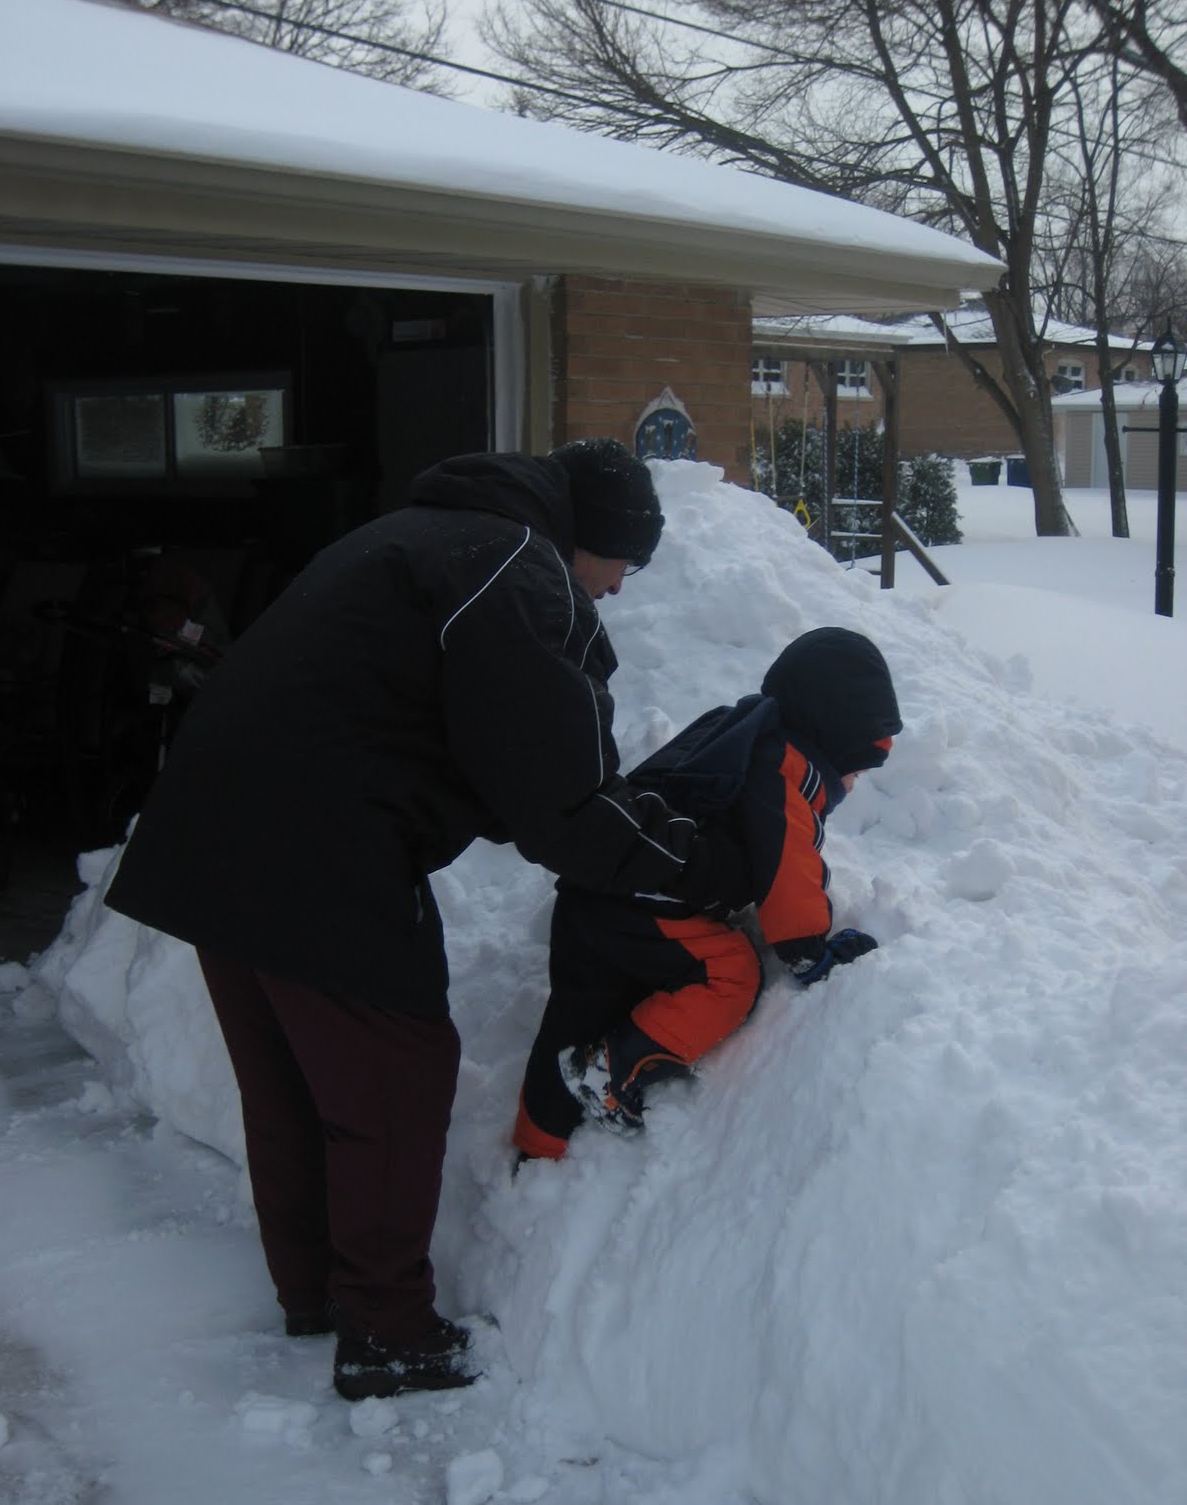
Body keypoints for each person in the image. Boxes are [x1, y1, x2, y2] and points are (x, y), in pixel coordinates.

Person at [104, 439, 748, 1401]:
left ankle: (319, 1292)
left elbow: (457, 735)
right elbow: (558, 800)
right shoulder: (515, 576)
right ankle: (387, 1332)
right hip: (313, 843)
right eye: (624, 565)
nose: (619, 589)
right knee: (396, 1074)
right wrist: (701, 866)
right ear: (594, 540)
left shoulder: (426, 539)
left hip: (210, 829)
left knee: (291, 1080)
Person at [512, 626, 902, 1160]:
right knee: (733, 972)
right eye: (855, 767)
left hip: (608, 886)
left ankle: (537, 1143)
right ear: (831, 736)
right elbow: (789, 874)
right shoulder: (788, 769)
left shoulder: (738, 727)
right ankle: (611, 1070)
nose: (853, 783)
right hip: (643, 903)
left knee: (574, 1010)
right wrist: (812, 953)